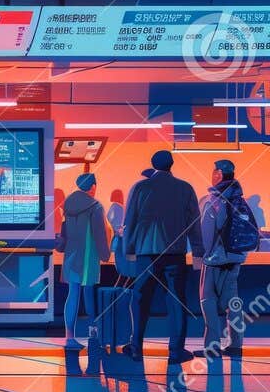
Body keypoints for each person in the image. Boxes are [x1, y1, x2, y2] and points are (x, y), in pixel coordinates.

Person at [120, 150, 204, 363]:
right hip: (175, 253)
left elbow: (130, 220)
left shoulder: (140, 188)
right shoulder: (185, 188)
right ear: (171, 164)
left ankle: (136, 347)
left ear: (153, 164)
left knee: (140, 299)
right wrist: (198, 251)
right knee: (177, 301)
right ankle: (176, 351)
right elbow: (194, 223)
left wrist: (129, 249)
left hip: (146, 253)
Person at [200, 159, 249, 357]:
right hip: (235, 259)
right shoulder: (240, 200)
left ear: (219, 174)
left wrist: (202, 254)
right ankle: (236, 344)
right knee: (233, 301)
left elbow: (206, 233)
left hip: (214, 260)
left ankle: (212, 346)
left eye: (214, 172)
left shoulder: (212, 200)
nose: (212, 175)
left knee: (208, 300)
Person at [58, 174, 109, 350]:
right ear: (93, 187)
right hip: (88, 257)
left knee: (72, 295)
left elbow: (64, 230)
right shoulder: (95, 207)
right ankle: (93, 335)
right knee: (89, 294)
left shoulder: (68, 204)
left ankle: (69, 337)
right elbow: (100, 234)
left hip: (71, 256)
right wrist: (105, 254)